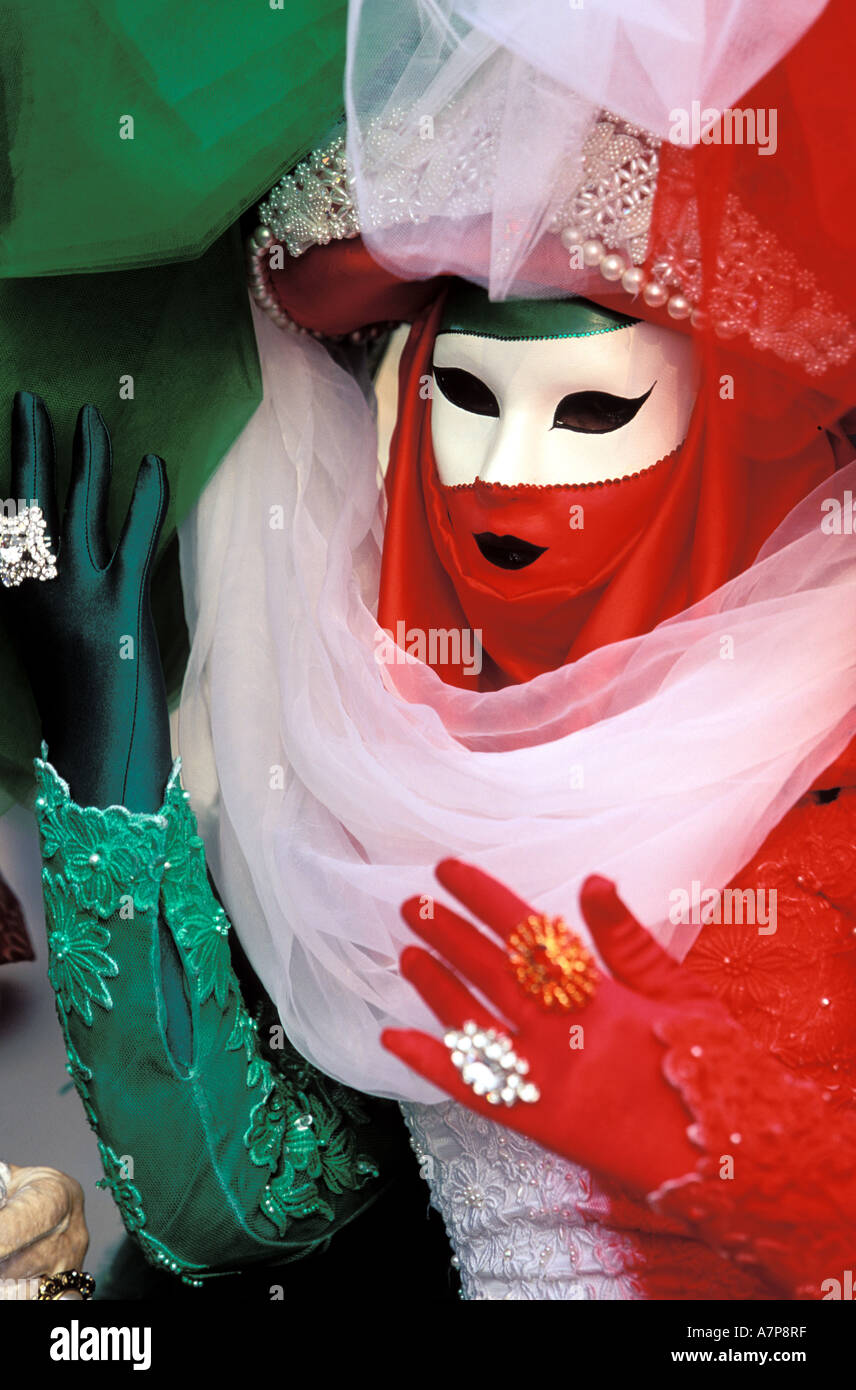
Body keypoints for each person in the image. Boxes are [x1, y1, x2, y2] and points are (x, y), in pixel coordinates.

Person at [3, 0, 856, 1302]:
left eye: (593, 407)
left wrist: (740, 1154)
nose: (508, 470)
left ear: (734, 432)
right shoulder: (388, 760)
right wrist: (108, 741)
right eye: (464, 392)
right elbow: (237, 1209)